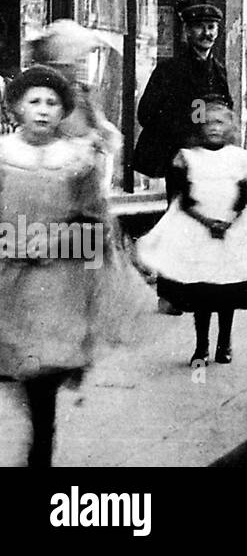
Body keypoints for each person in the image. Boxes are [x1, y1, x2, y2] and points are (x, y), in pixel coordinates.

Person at [0, 66, 143, 466]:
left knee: (43, 375)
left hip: (56, 286)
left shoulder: (76, 162)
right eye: (34, 102)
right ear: (16, 108)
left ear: (63, 111)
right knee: (16, 366)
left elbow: (95, 227)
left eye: (52, 103)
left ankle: (39, 451)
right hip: (8, 281)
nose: (43, 111)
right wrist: (11, 243)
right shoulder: (3, 156)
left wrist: (53, 242)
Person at [136, 97, 247, 367]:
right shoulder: (189, 158)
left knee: (227, 289)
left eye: (220, 123)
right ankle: (201, 345)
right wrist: (208, 223)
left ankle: (225, 342)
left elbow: (245, 198)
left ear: (229, 127)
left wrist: (228, 222)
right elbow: (183, 200)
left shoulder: (238, 158)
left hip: (231, 231)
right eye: (208, 123)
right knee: (203, 292)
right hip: (200, 230)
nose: (214, 128)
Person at [135, 4, 233, 192]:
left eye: (211, 27)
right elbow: (146, 115)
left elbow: (227, 110)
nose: (207, 33)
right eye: (200, 27)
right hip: (178, 161)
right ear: (187, 31)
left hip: (210, 163)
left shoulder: (219, 72)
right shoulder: (168, 71)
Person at [29, 20, 122, 196]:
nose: (82, 66)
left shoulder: (82, 94)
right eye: (78, 60)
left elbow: (108, 135)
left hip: (85, 190)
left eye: (83, 61)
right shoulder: (43, 97)